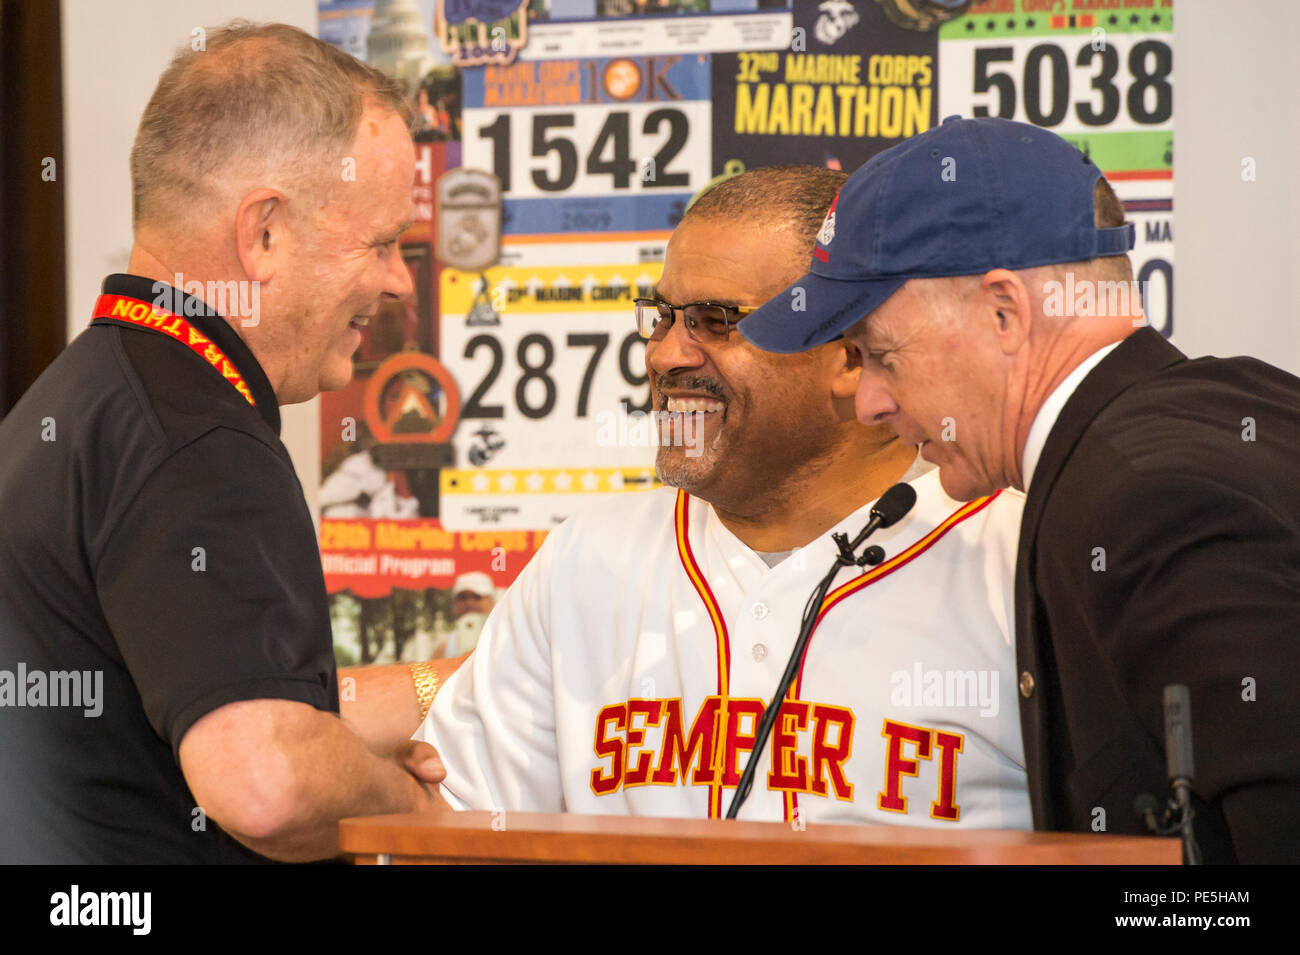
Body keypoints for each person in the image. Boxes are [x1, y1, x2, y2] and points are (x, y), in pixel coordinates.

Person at [739, 115, 1300, 862]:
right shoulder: (1240, 405)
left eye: (879, 353)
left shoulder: (1144, 500)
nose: (868, 400)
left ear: (1005, 313)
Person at [412, 166, 1032, 827]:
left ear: (851, 354)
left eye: (715, 321)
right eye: (662, 319)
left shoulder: (1015, 556)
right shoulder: (584, 561)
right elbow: (452, 825)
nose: (666, 356)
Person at [0, 22, 451, 864]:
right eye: (382, 241)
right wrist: (414, 809)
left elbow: (242, 695)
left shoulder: (88, 400)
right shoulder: (198, 440)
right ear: (264, 233)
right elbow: (266, 779)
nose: (396, 280)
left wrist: (459, 683)